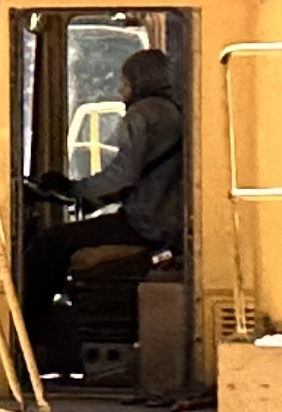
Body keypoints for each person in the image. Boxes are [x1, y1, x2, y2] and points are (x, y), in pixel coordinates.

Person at [32, 47, 183, 258]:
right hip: (164, 222)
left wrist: (74, 188)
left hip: (144, 225)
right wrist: (97, 198)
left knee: (50, 242)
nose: (120, 90)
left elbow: (123, 174)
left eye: (125, 82)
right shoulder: (171, 110)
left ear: (140, 81)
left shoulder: (141, 114)